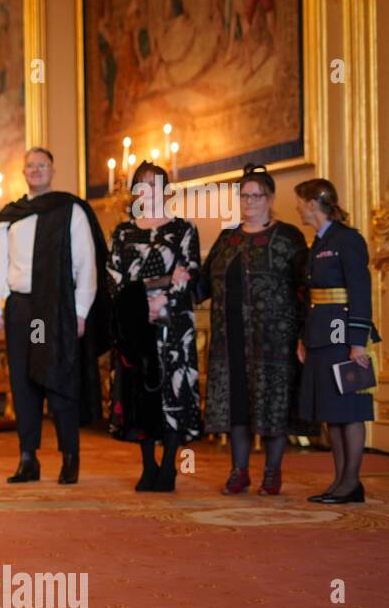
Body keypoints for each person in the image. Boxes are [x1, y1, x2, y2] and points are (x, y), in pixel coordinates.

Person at [0, 147, 110, 485]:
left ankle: (70, 456)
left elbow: (86, 265)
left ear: (53, 170)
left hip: (50, 311)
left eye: (42, 165)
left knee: (54, 376)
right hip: (21, 309)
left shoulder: (70, 209)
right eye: (30, 166)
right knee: (22, 382)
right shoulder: (12, 215)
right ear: (23, 173)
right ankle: (28, 458)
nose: (36, 170)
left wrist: (81, 311)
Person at [192, 163, 308, 495]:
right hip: (230, 342)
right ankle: (238, 471)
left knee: (273, 406)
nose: (250, 201)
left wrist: (304, 334)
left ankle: (272, 473)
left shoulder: (288, 237)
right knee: (237, 407)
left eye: (257, 196)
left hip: (275, 341)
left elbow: (304, 287)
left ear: (270, 198)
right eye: (244, 195)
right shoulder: (228, 237)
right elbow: (203, 282)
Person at [106, 161, 202, 491]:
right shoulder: (123, 232)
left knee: (173, 390)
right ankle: (148, 466)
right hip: (137, 325)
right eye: (141, 185)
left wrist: (160, 299)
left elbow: (188, 273)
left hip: (175, 324)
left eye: (155, 184)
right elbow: (115, 278)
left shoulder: (183, 229)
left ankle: (171, 466)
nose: (148, 191)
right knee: (142, 393)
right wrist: (144, 301)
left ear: (166, 190)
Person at [295, 178, 379, 504]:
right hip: (321, 335)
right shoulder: (318, 242)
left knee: (350, 409)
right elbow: (312, 297)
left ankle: (351, 482)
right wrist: (305, 338)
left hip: (342, 335)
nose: (298, 207)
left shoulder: (347, 239)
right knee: (333, 410)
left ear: (314, 202)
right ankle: (341, 482)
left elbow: (359, 292)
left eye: (300, 201)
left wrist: (357, 342)